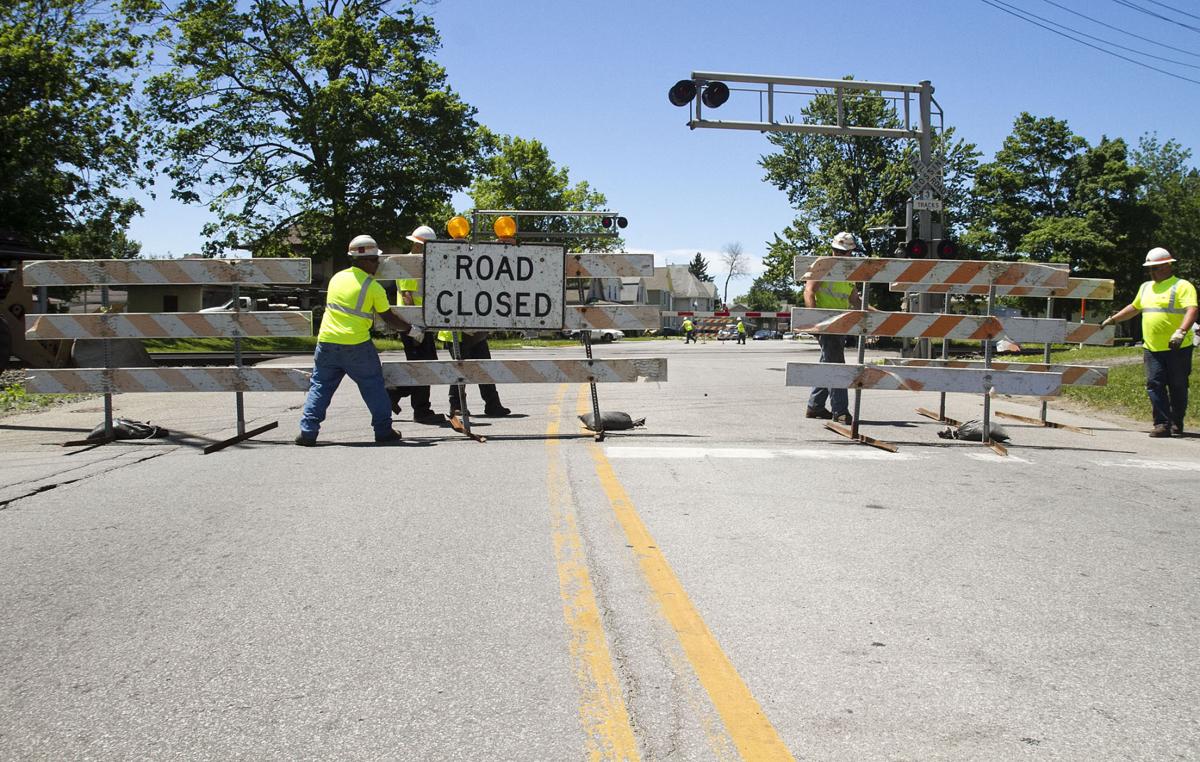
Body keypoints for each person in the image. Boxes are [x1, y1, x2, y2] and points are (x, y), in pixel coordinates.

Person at [295, 234, 424, 446]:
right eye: (375, 259)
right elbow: (390, 318)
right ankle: (383, 431)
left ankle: (308, 431)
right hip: (356, 345)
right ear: (363, 260)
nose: (378, 263)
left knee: (320, 386)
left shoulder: (336, 278)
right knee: (373, 386)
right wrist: (412, 330)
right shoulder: (373, 287)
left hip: (327, 342)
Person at [1101, 247, 1197, 437]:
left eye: (1156, 268)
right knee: (1155, 384)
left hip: (1178, 346)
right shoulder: (1145, 287)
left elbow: (1192, 310)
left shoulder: (1182, 286)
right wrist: (1113, 319)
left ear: (1168, 265)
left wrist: (1181, 331)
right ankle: (1161, 424)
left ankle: (1176, 421)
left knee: (1178, 385)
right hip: (1152, 348)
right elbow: (1134, 307)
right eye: (1150, 269)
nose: (1152, 272)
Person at [387, 225, 445, 424]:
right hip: (413, 326)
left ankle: (395, 397)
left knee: (424, 365)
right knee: (423, 366)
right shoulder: (411, 265)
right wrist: (414, 329)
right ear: (421, 246)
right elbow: (407, 297)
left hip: (419, 324)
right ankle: (419, 409)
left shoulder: (416, 264)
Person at [804, 231, 861, 425]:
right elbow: (809, 291)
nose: (845, 256)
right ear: (834, 250)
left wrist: (878, 315)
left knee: (828, 363)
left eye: (847, 252)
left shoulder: (849, 272)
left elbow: (855, 300)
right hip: (826, 324)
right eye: (841, 252)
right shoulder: (823, 265)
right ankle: (841, 411)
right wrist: (814, 321)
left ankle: (815, 406)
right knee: (837, 365)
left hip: (841, 325)